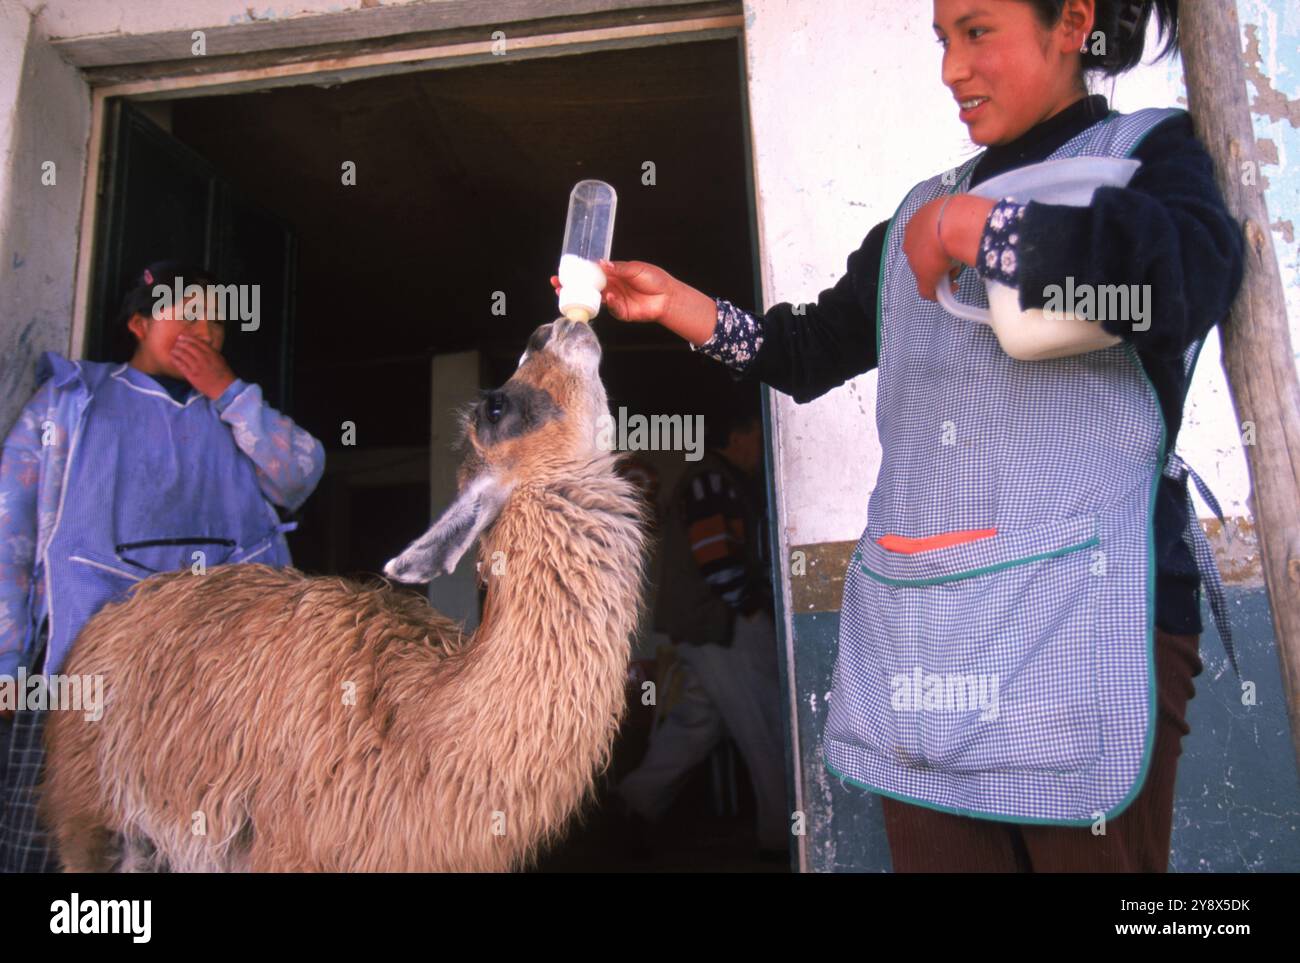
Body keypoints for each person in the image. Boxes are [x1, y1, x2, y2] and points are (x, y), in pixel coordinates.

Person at [553, 0, 1245, 871]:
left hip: (1089, 620)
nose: (951, 69)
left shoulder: (1144, 157)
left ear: (1073, 23)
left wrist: (978, 232)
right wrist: (678, 306)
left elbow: (1183, 276)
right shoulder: (920, 212)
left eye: (978, 31)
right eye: (941, 38)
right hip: (927, 635)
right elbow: (803, 352)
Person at [0, 260, 326, 872]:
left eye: (216, 322)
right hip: (85, 679)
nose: (204, 331)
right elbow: (8, 526)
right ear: (137, 323)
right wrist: (5, 658)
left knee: (199, 846)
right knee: (63, 847)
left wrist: (230, 393)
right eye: (187, 313)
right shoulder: (72, 403)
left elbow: (301, 475)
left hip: (219, 686)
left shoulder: (236, 418)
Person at [612, 406, 788, 856]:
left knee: (697, 723)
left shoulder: (709, 479)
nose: (761, 449)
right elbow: (715, 555)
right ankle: (781, 836)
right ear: (734, 437)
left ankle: (633, 804)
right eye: (756, 436)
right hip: (724, 627)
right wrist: (749, 608)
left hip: (699, 628)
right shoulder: (713, 481)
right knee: (765, 726)